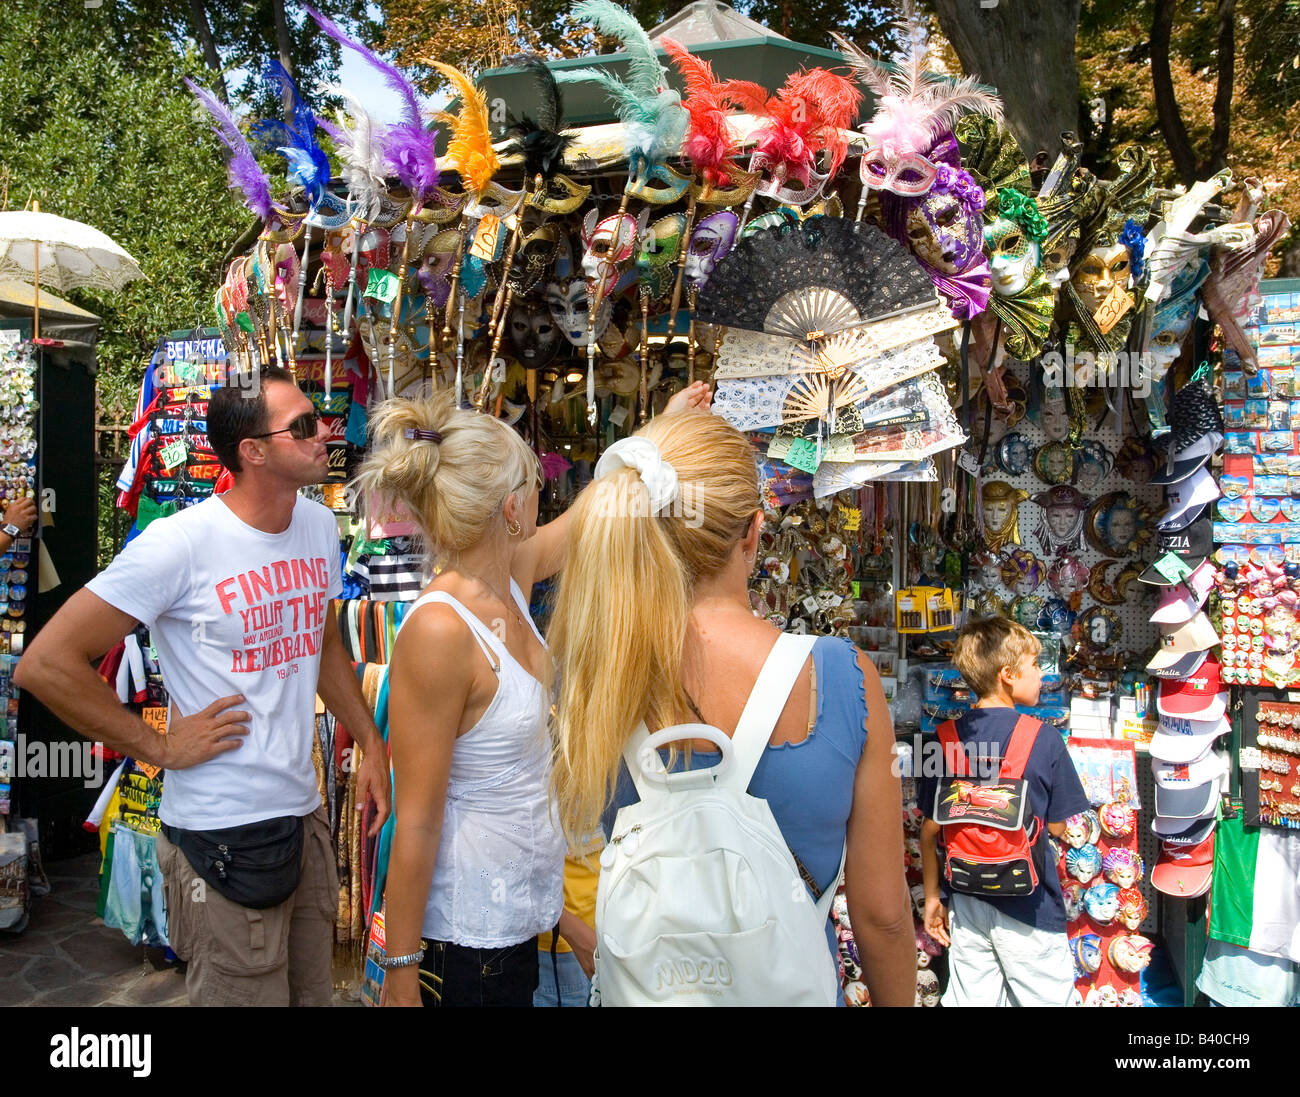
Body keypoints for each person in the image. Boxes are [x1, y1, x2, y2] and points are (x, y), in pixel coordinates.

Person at [15, 366, 391, 1006]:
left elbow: (322, 639)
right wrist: (156, 745)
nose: (326, 433)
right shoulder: (179, 545)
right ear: (252, 452)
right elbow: (46, 663)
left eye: (321, 418)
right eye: (303, 427)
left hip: (302, 819)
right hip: (221, 836)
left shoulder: (316, 526)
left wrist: (371, 743)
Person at [546, 410, 916, 1006]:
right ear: (753, 531)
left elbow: (484, 558)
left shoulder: (596, 677)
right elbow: (884, 918)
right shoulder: (839, 678)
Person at [919, 616, 1089, 1006]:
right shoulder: (1045, 740)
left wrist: (932, 899)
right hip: (1030, 908)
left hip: (966, 902)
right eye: (1034, 666)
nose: (1042, 676)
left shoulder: (942, 740)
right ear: (1008, 675)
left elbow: (930, 830)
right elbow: (1060, 826)